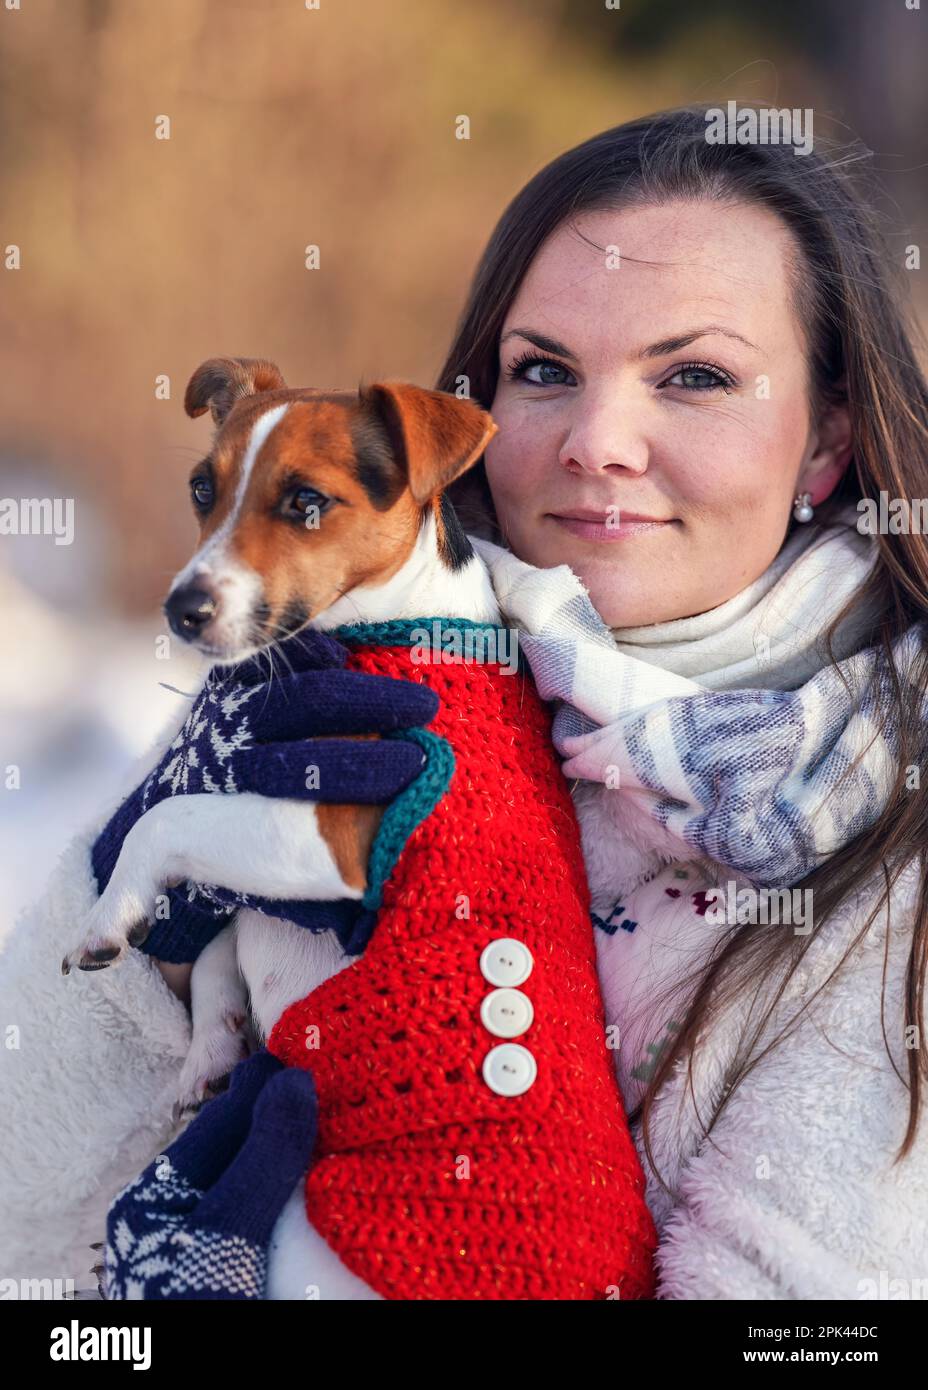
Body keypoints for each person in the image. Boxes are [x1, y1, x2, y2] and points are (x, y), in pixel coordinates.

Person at [3, 104, 927, 1299]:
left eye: (693, 376)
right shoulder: (319, 695)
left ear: (827, 443)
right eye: (544, 370)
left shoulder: (884, 844)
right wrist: (147, 950)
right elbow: (20, 1245)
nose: (598, 440)